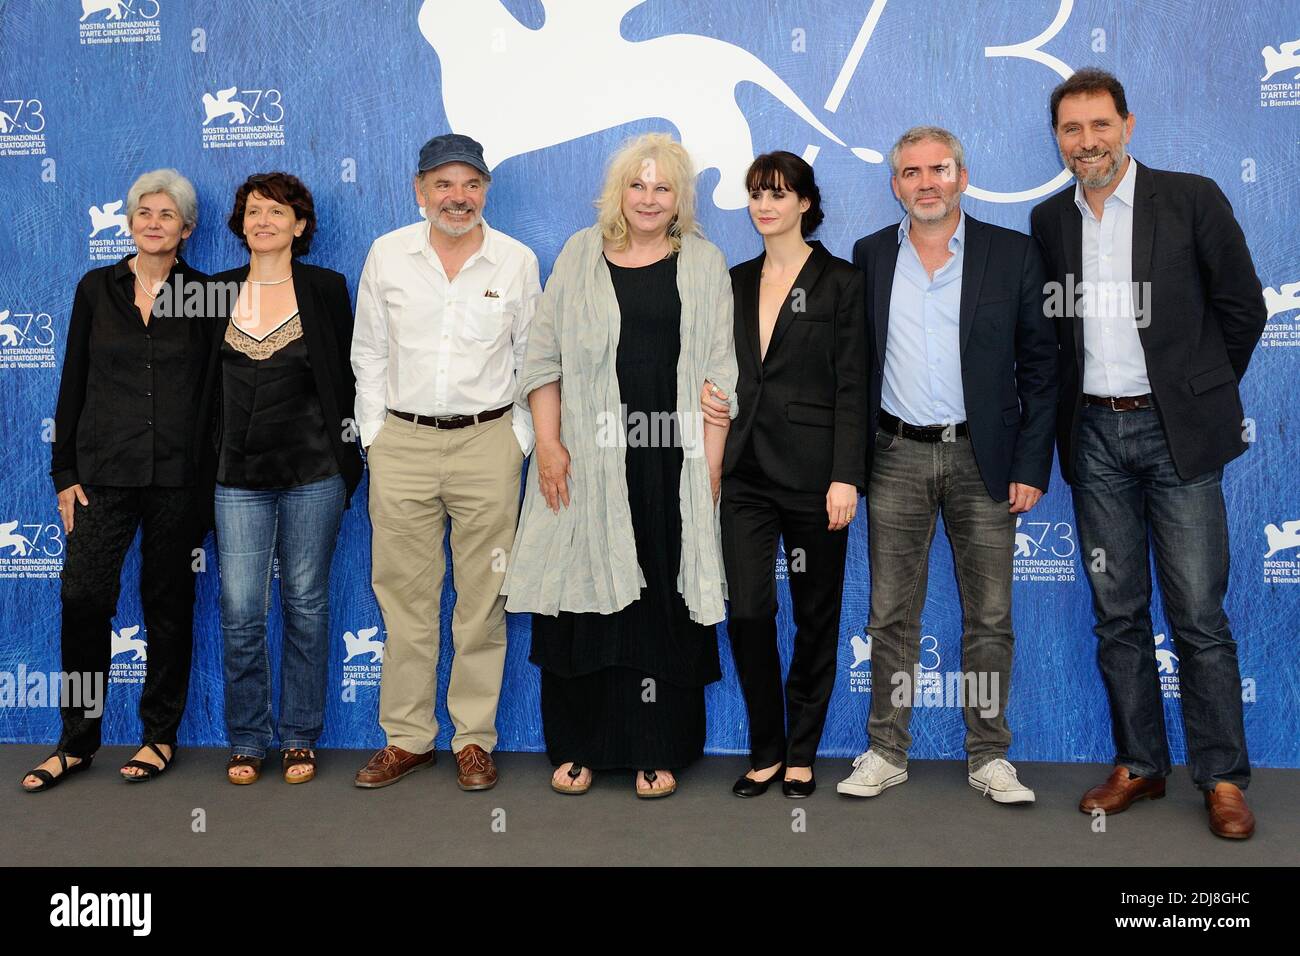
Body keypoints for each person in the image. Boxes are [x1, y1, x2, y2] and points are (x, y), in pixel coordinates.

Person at [1029, 69, 1267, 838]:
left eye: (1100, 125)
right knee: (1117, 612)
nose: (1087, 142)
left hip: (1177, 438)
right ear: (1058, 139)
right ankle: (1141, 764)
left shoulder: (1189, 197)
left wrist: (1194, 393)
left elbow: (1243, 309)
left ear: (1127, 125)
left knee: (1199, 614)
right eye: (1072, 129)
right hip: (1093, 437)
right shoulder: (1049, 222)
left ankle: (1222, 777)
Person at [501, 132, 737, 798]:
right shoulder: (578, 254)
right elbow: (542, 360)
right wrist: (548, 445)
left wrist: (710, 472)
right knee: (581, 604)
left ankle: (656, 748)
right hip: (584, 462)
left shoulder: (705, 261)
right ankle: (578, 746)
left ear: (680, 198)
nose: (649, 198)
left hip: (672, 465)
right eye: (639, 185)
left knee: (662, 604)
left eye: (664, 188)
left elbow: (720, 376)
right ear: (618, 190)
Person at [837, 127, 1057, 804]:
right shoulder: (870, 256)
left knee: (989, 615)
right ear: (896, 184)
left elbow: (1042, 368)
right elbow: (854, 371)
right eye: (911, 172)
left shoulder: (1013, 254)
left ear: (962, 175)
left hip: (983, 459)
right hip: (895, 455)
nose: (925, 182)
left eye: (938, 169)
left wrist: (1031, 463)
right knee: (890, 614)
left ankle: (989, 755)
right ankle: (884, 750)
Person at [350, 134, 540, 792]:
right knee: (404, 599)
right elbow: (368, 352)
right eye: (443, 184)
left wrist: (517, 438)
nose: (457, 198)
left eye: (470, 185)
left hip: (488, 448)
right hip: (401, 445)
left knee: (483, 601)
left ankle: (473, 740)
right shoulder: (388, 255)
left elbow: (532, 360)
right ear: (420, 190)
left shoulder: (515, 261)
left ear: (485, 190)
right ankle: (406, 738)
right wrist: (375, 433)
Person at [23, 169, 209, 791]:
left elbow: (214, 396)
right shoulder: (96, 289)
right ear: (129, 223)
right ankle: (77, 741)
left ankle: (159, 737)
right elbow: (73, 377)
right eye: (143, 212)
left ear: (187, 228)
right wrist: (64, 471)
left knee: (168, 607)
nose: (153, 222)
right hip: (102, 474)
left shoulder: (204, 296)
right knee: (82, 601)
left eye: (167, 214)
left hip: (179, 479)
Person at [700, 151, 866, 798]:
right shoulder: (733, 281)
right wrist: (712, 398)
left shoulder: (842, 282)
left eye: (778, 193)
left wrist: (846, 476)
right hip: (744, 473)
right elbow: (720, 365)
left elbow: (854, 385)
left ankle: (802, 750)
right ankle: (765, 747)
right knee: (747, 612)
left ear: (804, 202)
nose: (765, 204)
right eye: (755, 194)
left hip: (817, 477)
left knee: (817, 616)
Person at [203, 172, 362, 785]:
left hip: (314, 472)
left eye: (277, 211)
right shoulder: (213, 294)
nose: (263, 220)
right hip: (235, 477)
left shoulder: (326, 289)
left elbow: (349, 378)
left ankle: (299, 737)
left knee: (305, 605)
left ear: (300, 224)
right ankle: (247, 739)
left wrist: (351, 461)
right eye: (252, 211)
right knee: (240, 608)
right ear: (240, 224)